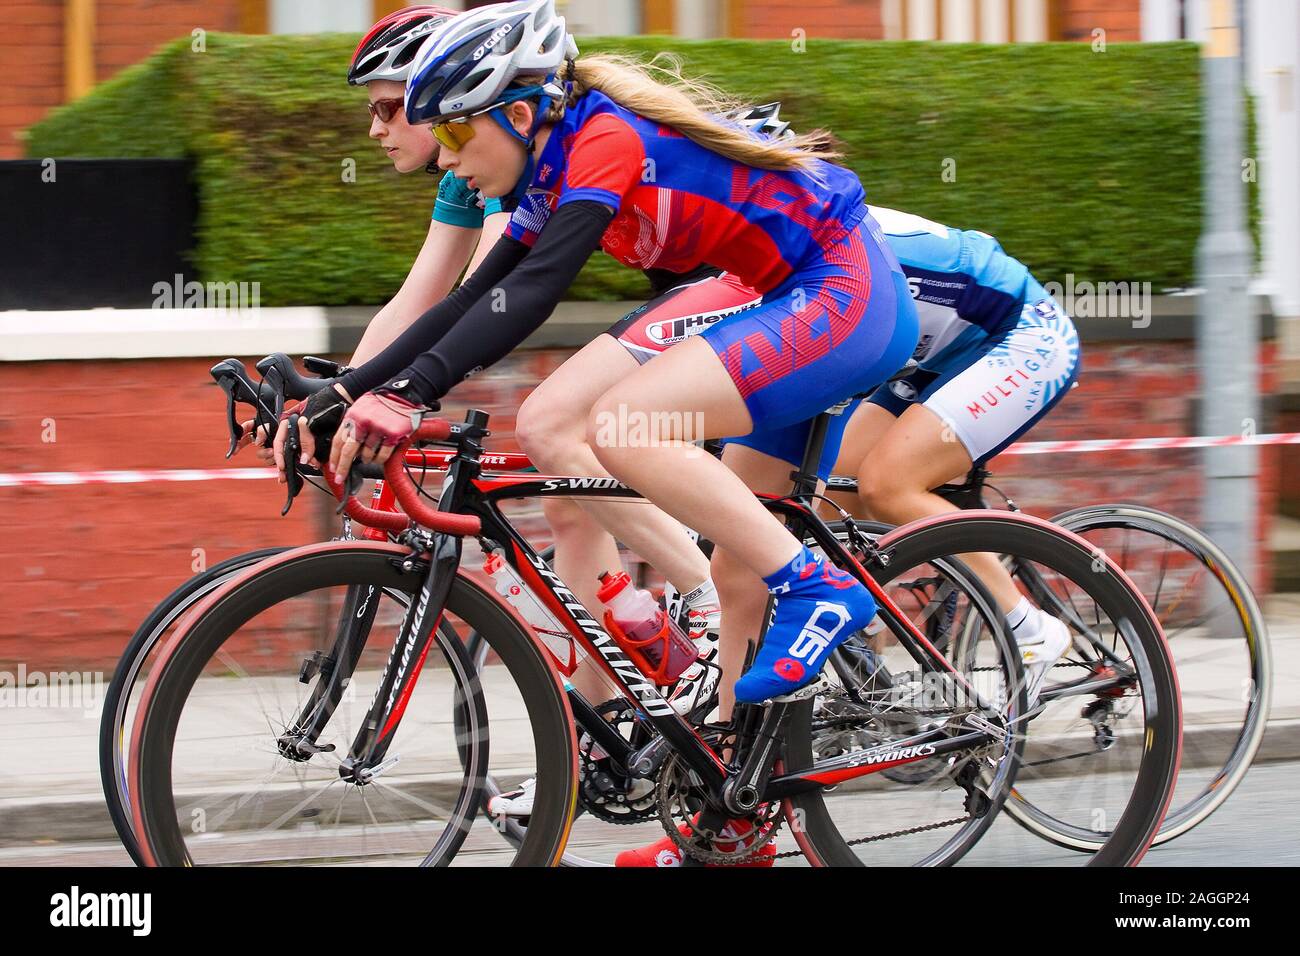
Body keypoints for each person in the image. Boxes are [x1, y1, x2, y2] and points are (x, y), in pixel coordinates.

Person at [281, 0, 917, 873]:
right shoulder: (545, 170)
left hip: (839, 291)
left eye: (458, 138)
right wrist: (354, 390)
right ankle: (736, 809)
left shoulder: (602, 140)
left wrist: (408, 393)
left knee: (621, 424)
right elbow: (475, 298)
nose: (455, 163)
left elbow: (534, 291)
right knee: (736, 567)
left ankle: (819, 589)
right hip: (792, 299)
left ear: (514, 111)